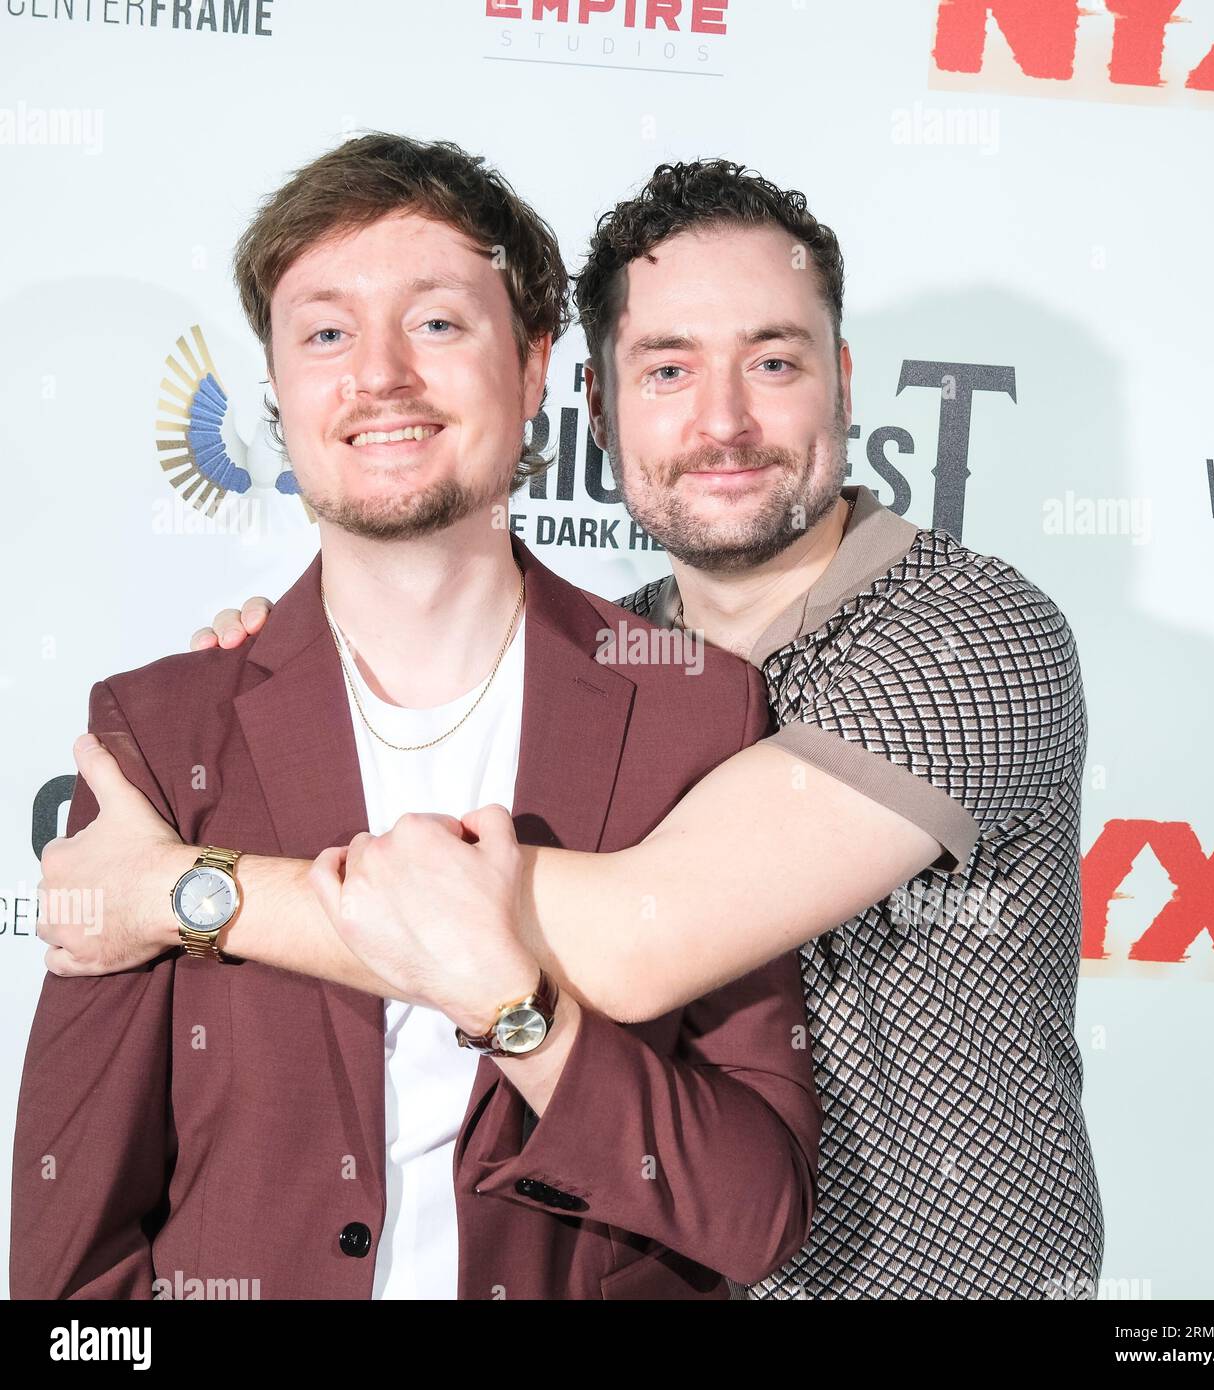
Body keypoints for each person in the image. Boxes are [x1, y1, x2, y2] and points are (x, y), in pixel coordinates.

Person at [39, 157, 1104, 1300]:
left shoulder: (963, 638)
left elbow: (639, 940)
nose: (723, 419)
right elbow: (75, 1254)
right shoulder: (634, 661)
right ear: (595, 401)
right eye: (667, 368)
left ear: (843, 382)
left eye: (774, 361)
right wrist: (265, 671)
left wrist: (183, 892)